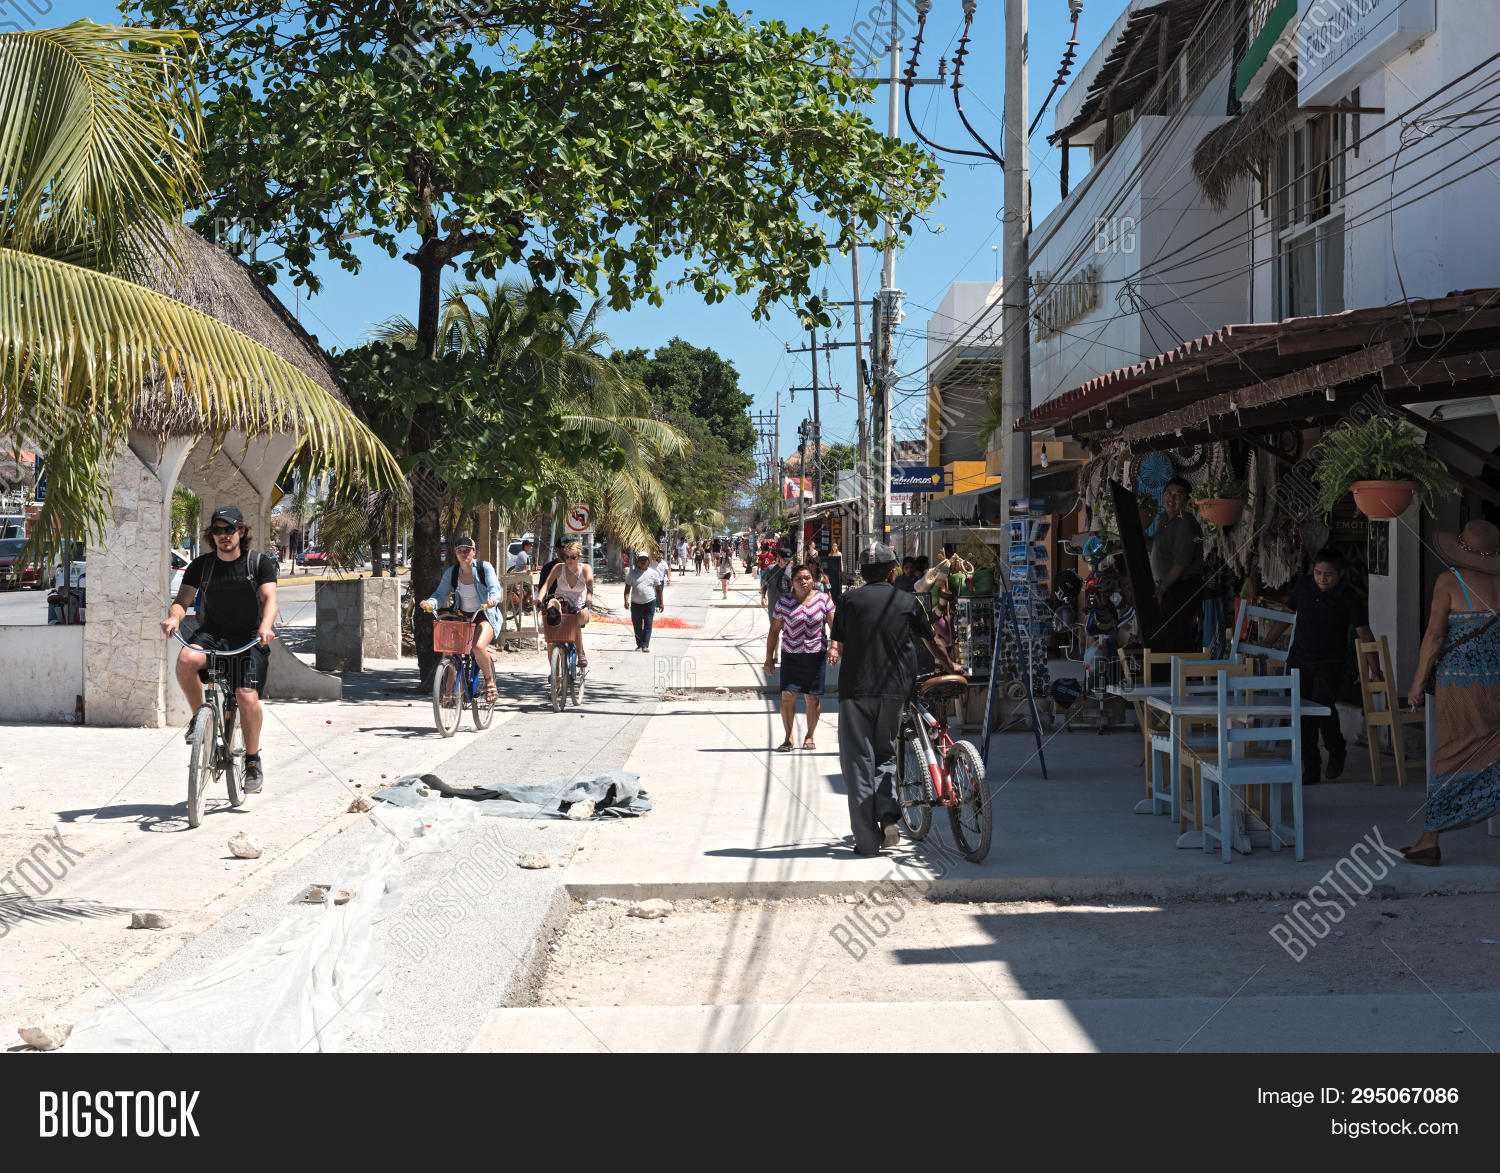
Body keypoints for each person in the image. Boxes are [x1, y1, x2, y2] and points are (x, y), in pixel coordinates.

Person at [829, 543, 957, 856]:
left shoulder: (847, 600)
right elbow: (932, 641)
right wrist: (949, 665)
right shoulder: (909, 601)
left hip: (855, 691)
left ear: (860, 572)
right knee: (885, 753)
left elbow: (838, 641)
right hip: (896, 690)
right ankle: (888, 814)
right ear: (892, 572)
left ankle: (868, 843)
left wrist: (838, 649)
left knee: (859, 761)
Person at [1401, 521, 1500, 866]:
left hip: (1462, 686)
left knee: (1451, 755)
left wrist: (1416, 682)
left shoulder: (1449, 581)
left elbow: (1434, 637)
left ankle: (1430, 840)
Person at [162, 506, 278, 795]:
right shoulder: (202, 566)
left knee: (246, 694)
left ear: (241, 531)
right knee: (186, 659)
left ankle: (252, 760)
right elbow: (183, 599)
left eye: (230, 529)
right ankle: (198, 718)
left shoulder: (258, 564)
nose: (224, 535)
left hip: (250, 639)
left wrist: (265, 626)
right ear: (211, 534)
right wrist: (174, 617)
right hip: (213, 636)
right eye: (217, 530)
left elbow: (270, 598)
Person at [1268, 548, 1381, 785]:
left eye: (1328, 574)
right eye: (1318, 572)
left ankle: (1336, 747)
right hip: (1298, 659)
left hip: (1330, 663)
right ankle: (1311, 766)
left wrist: (1375, 671)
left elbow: (1365, 634)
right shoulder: (1304, 586)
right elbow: (1285, 615)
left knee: (1322, 707)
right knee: (1300, 714)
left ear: (1340, 574)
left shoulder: (1349, 596)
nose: (1322, 578)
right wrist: (1267, 643)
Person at [419, 534, 503, 703]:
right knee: (448, 651)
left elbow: (495, 588)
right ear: (456, 554)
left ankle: (489, 683)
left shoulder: (484, 567)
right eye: (460, 551)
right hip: (462, 618)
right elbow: (440, 594)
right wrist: (430, 603)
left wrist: (493, 598)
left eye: (467, 550)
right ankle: (449, 694)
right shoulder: (453, 572)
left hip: (484, 614)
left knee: (478, 646)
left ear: (474, 552)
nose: (463, 554)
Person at [763, 564, 838, 751]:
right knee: (788, 694)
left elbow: (834, 627)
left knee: (812, 698)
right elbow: (774, 631)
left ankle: (810, 736)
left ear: (813, 580)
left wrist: (834, 647)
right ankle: (788, 738)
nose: (804, 582)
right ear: (791, 582)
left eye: (807, 578)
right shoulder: (783, 603)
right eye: (799, 579)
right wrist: (769, 658)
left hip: (815, 655)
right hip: (791, 655)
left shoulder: (823, 600)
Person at [1146, 476, 1206, 652]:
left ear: (1186, 501)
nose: (1171, 498)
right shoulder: (1162, 519)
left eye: (1178, 495)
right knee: (1167, 636)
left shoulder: (1186, 522)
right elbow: (1157, 546)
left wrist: (1162, 587)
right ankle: (1172, 675)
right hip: (1168, 588)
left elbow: (1181, 562)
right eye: (1168, 493)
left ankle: (1182, 677)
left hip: (1182, 587)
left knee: (1177, 638)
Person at [538, 538, 595, 666]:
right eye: (567, 557)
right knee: (551, 641)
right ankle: (555, 676)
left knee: (576, 618)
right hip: (561, 605)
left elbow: (590, 584)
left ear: (579, 557)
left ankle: (580, 652)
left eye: (573, 557)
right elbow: (546, 585)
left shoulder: (585, 569)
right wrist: (539, 598)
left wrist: (589, 597)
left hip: (579, 606)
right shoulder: (559, 568)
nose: (569, 560)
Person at [624, 552, 665, 652]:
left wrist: (661, 603)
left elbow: (659, 589)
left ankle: (645, 645)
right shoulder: (632, 573)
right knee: (637, 625)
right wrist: (626, 600)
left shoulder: (653, 573)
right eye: (641, 560)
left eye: (645, 560)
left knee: (648, 624)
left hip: (649, 602)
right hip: (635, 604)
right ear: (637, 562)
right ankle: (639, 645)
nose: (643, 562)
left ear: (648, 561)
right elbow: (627, 588)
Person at [760, 547, 794, 624]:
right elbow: (764, 584)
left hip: (789, 607)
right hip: (773, 606)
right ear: (779, 558)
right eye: (784, 560)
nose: (786, 562)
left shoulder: (792, 570)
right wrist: (763, 597)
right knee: (774, 632)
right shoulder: (771, 569)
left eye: (788, 560)